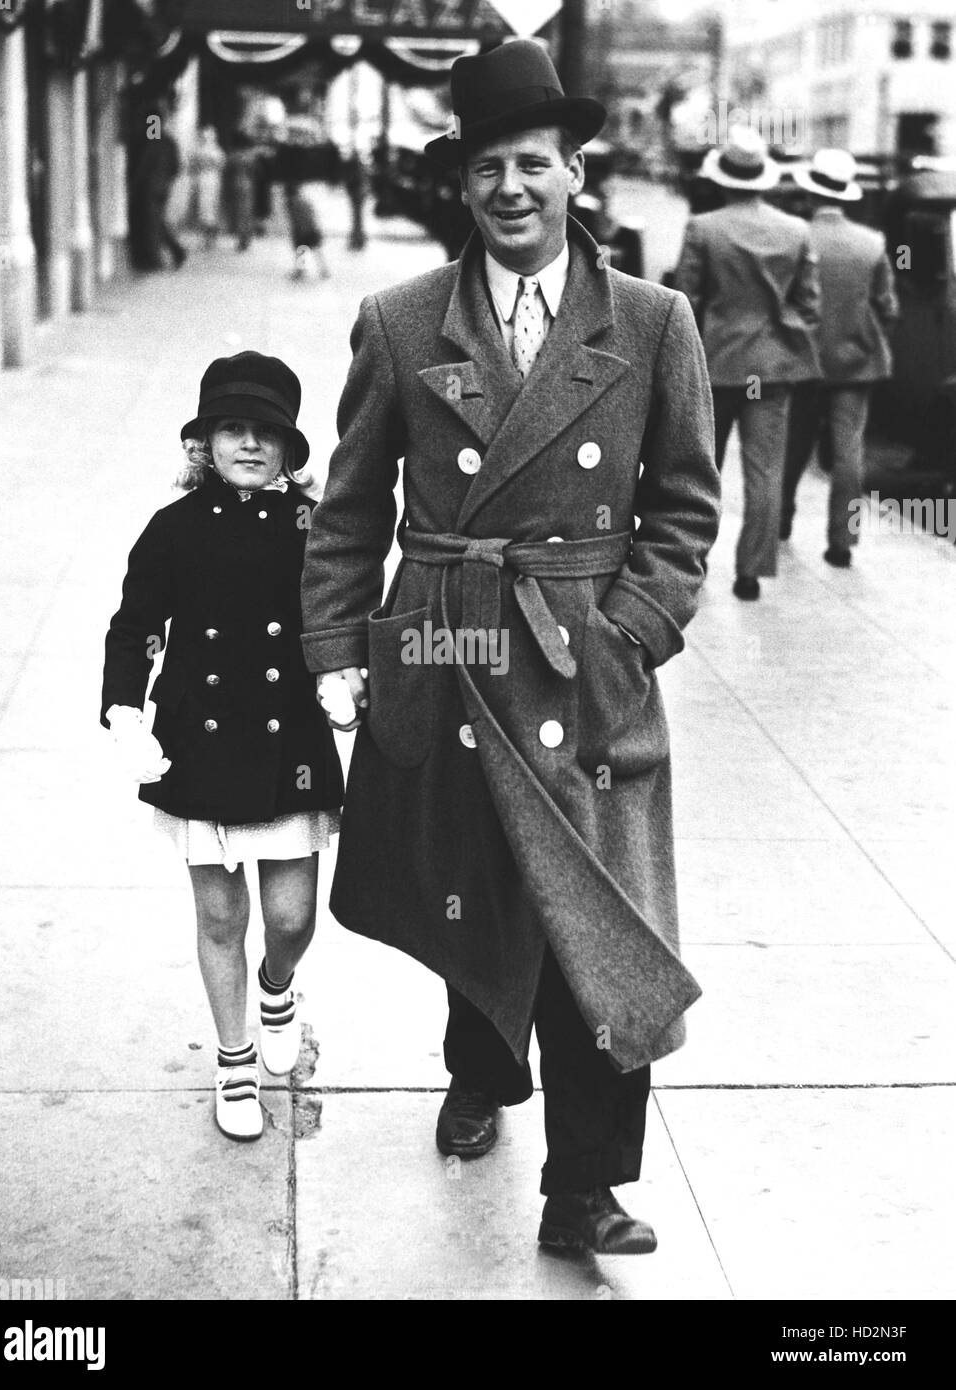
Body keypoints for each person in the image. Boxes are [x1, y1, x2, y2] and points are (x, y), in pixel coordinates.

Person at [301, 39, 720, 1254]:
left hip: (585, 655)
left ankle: (585, 1187)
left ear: (574, 171)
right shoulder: (399, 320)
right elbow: (350, 505)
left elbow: (687, 503)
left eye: (534, 163)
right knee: (477, 887)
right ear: (462, 181)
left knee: (602, 923)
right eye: (488, 167)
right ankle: (481, 1065)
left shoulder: (653, 321)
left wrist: (633, 630)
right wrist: (341, 645)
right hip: (450, 641)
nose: (512, 189)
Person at [101, 352, 344, 1141]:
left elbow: (338, 612)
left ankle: (279, 985)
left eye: (265, 432)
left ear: (288, 448)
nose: (248, 444)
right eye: (231, 429)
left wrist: (343, 676)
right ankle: (233, 1062)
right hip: (199, 746)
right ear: (204, 443)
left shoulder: (315, 528)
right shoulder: (171, 530)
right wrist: (125, 713)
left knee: (292, 914)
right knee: (216, 914)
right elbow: (136, 627)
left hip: (290, 742)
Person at [674, 127, 821, 599]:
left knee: (702, 469)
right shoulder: (797, 232)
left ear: (724, 179)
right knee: (765, 469)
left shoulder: (704, 228)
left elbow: (685, 299)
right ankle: (751, 572)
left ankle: (690, 565)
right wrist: (780, 324)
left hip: (716, 365)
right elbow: (810, 306)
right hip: (771, 369)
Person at [781, 150, 898, 566]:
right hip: (856, 363)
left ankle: (780, 521)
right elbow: (887, 307)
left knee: (792, 447)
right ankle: (842, 544)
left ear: (810, 193)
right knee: (849, 453)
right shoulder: (873, 243)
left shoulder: (794, 237)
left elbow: (785, 302)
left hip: (801, 363)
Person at [130, 109, 186, 271]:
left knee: (151, 223)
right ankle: (175, 251)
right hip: (163, 187)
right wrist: (166, 181)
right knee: (156, 221)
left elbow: (143, 166)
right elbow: (176, 167)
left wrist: (136, 184)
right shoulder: (168, 141)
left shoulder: (151, 140)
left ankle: (155, 259)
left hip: (148, 187)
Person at [190, 126, 226, 249]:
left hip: (212, 181)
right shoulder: (199, 150)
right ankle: (206, 238)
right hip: (202, 181)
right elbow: (192, 165)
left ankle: (210, 238)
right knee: (202, 210)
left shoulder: (216, 151)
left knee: (210, 210)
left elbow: (221, 165)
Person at [285, 183, 330, 280]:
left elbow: (297, 219)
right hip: (312, 228)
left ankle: (300, 271)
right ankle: (324, 270)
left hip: (303, 230)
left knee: (301, 251)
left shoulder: (293, 203)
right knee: (316, 250)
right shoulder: (304, 200)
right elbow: (312, 213)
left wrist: (299, 232)